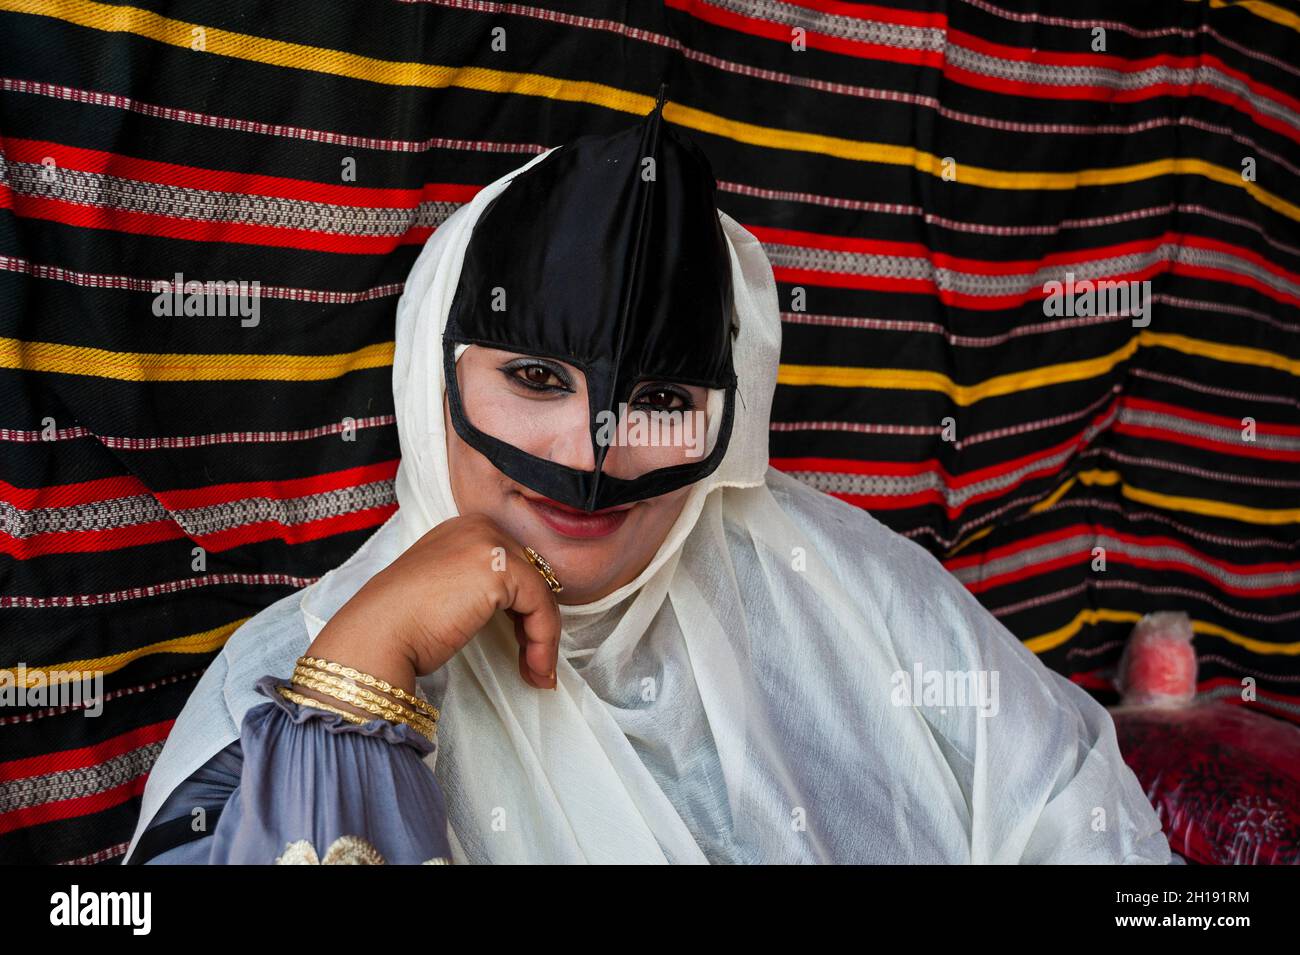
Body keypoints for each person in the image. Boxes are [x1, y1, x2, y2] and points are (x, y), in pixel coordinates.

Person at [122, 89, 1172, 865]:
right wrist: (356, 691)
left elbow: (1079, 815)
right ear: (426, 377)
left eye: (663, 400)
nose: (590, 458)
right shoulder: (287, 678)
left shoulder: (848, 589)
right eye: (534, 378)